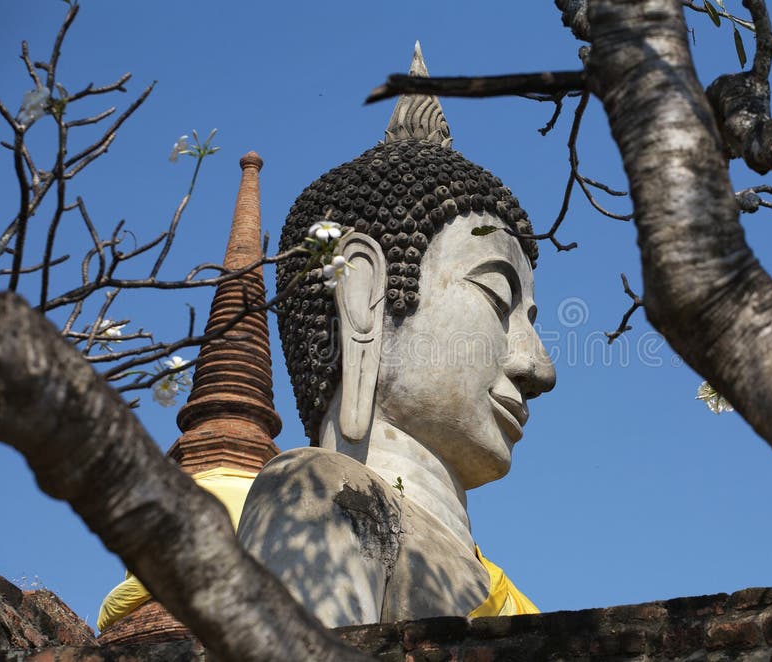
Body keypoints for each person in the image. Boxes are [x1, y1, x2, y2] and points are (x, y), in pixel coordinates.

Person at [237, 43, 555, 627]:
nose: (538, 367)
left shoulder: (485, 577)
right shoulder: (322, 495)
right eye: (497, 298)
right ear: (362, 301)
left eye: (529, 322)